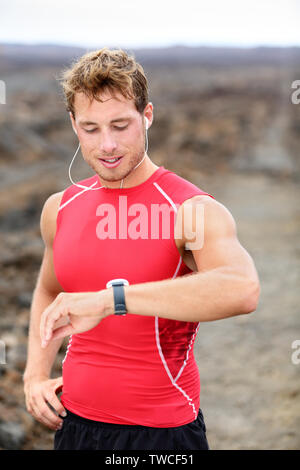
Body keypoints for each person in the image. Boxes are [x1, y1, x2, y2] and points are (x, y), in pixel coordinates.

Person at [23, 48, 260, 451]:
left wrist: (110, 300)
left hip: (161, 434)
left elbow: (242, 289)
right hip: (75, 426)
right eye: (91, 129)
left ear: (146, 116)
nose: (108, 145)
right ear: (72, 124)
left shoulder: (189, 209)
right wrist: (34, 373)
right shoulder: (60, 208)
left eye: (121, 125)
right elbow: (50, 290)